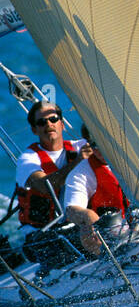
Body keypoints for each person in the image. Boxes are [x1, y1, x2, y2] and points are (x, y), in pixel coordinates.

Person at [12, 101, 87, 266]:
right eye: (41, 122)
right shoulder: (28, 159)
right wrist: (77, 162)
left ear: (62, 124)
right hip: (41, 235)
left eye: (53, 119)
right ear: (34, 129)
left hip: (74, 226)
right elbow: (45, 186)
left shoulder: (79, 147)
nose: (49, 124)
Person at [62, 127, 130, 255]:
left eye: (104, 142)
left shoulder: (136, 157)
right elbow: (71, 210)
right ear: (89, 145)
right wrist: (87, 216)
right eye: (95, 144)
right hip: (118, 240)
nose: (101, 149)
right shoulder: (81, 173)